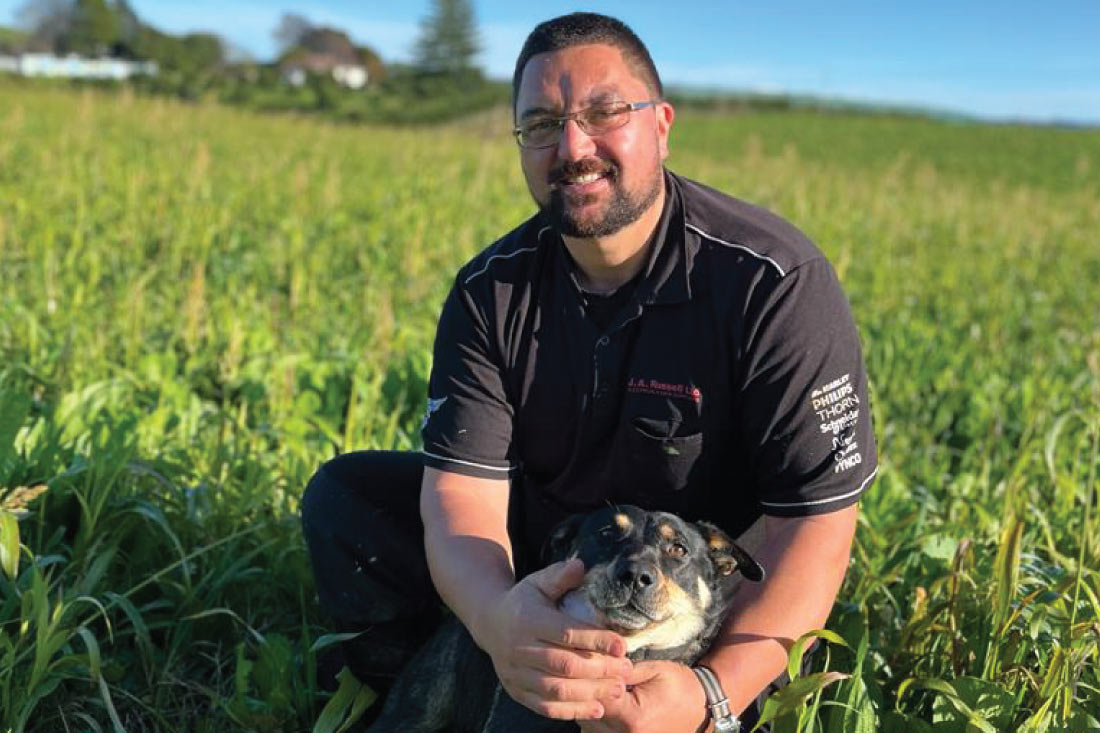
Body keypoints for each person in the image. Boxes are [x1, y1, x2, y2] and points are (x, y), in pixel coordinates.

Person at [301, 11, 877, 733]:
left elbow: (815, 533)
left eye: (604, 111)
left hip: (692, 587)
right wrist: (499, 621)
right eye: (541, 124)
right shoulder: (491, 291)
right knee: (347, 501)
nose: (573, 146)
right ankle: (422, 679)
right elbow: (461, 503)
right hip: (549, 546)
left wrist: (710, 694)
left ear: (661, 123)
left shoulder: (774, 282)